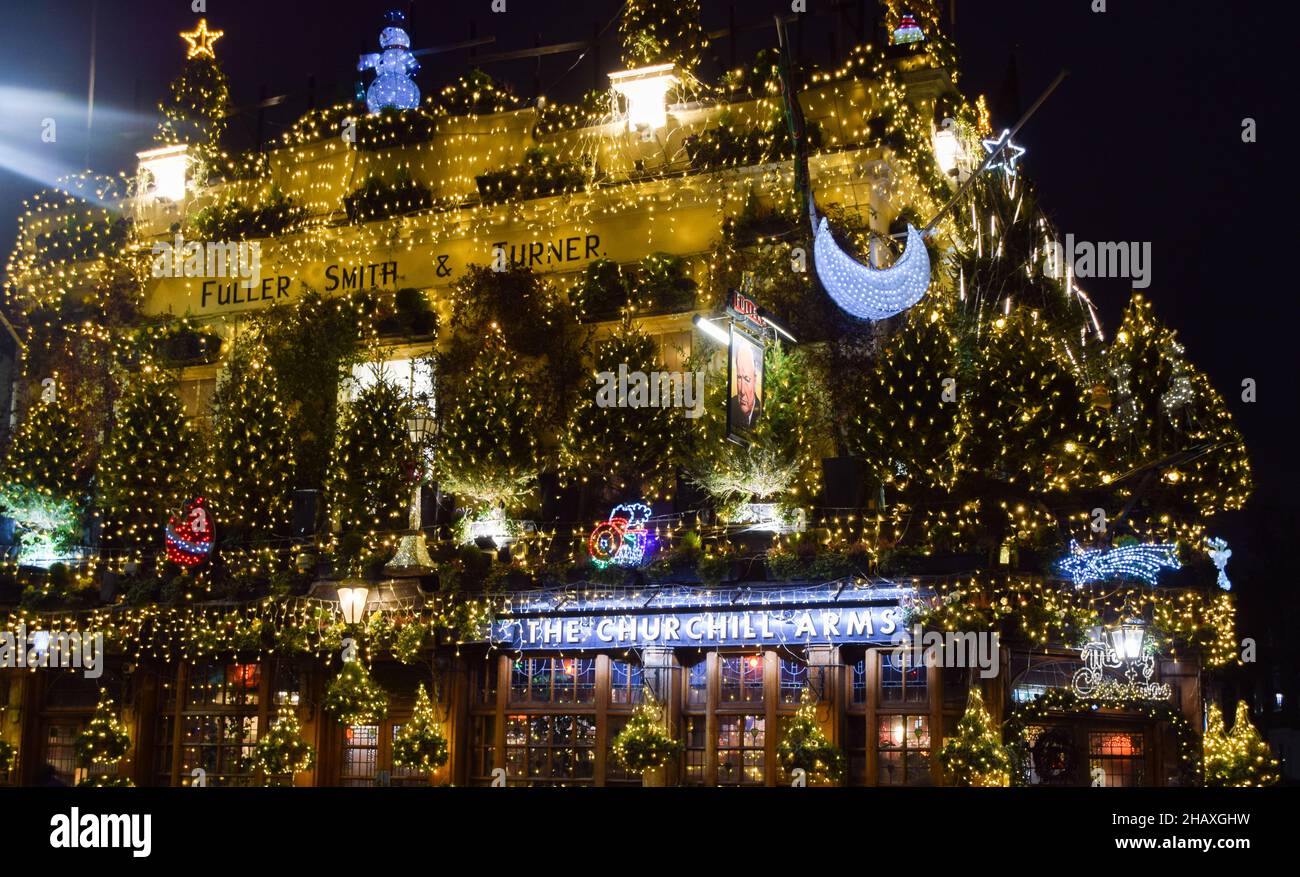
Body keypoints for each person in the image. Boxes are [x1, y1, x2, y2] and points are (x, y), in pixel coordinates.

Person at [728, 340, 762, 434]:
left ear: (755, 379)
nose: (742, 391)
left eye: (747, 379)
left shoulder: (763, 414)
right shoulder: (730, 406)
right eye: (739, 378)